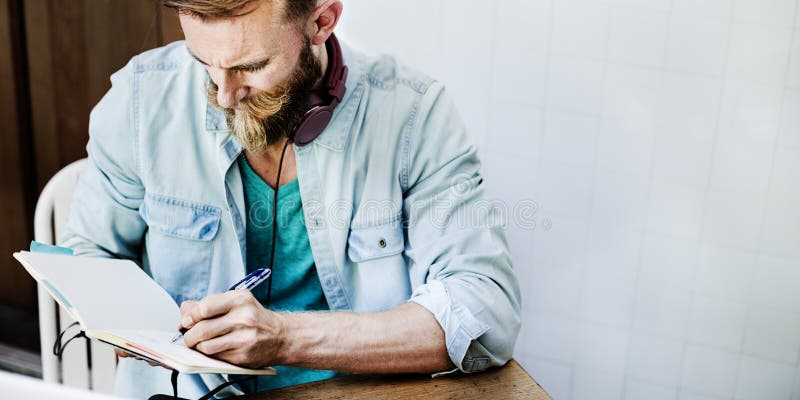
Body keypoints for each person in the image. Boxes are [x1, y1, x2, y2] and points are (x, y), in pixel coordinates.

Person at [61, 0, 521, 397]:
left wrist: (283, 337)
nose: (223, 96)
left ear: (322, 21)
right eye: (203, 61)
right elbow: (90, 260)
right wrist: (137, 333)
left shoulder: (414, 117)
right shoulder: (140, 101)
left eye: (252, 66)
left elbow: (486, 310)